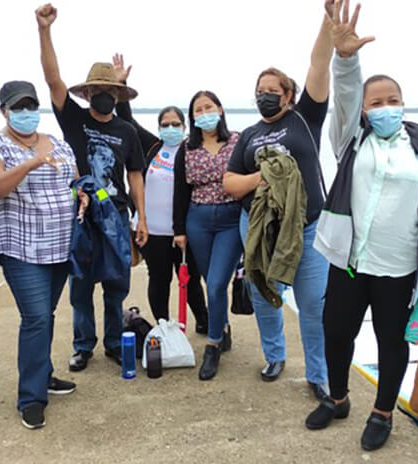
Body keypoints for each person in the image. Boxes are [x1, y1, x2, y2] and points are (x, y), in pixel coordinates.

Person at [305, 0, 418, 451]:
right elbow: (347, 90)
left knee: (392, 342)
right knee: (336, 332)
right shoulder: (349, 140)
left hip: (400, 269)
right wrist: (346, 59)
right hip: (349, 262)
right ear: (365, 111)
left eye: (393, 100)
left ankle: (382, 412)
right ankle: (337, 399)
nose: (385, 107)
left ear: (403, 103)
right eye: (377, 102)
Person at [223, 4, 333, 398]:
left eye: (273, 91)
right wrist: (264, 175)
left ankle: (318, 376)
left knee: (313, 304)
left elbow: (319, 65)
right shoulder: (249, 135)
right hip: (258, 228)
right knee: (264, 297)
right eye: (260, 91)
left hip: (307, 228)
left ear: (289, 96)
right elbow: (230, 183)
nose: (265, 96)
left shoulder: (305, 119)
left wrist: (328, 22)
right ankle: (275, 356)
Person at [36, 4, 148, 372]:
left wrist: (141, 217)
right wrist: (45, 31)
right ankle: (83, 345)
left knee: (117, 283)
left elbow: (135, 174)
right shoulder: (74, 119)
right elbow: (53, 80)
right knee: (80, 285)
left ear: (118, 96)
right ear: (87, 95)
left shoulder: (127, 131)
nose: (104, 95)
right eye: (97, 90)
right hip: (81, 212)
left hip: (116, 213)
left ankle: (115, 342)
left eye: (110, 91)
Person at [0, 80, 85, 429]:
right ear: (4, 111)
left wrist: (81, 193)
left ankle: (45, 375)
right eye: (17, 107)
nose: (26, 113)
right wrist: (30, 164)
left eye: (30, 106)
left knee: (47, 314)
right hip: (21, 248)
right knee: (36, 317)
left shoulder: (57, 142)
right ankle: (31, 398)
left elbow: (74, 178)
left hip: (60, 245)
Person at [112, 54, 209, 333]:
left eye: (175, 124)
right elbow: (126, 118)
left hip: (185, 231)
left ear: (185, 126)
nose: (170, 128)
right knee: (159, 279)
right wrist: (122, 86)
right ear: (158, 128)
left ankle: (203, 322)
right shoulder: (153, 147)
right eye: (165, 124)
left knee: (190, 280)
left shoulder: (193, 150)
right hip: (152, 230)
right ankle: (164, 326)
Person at [174, 90, 241, 380]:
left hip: (230, 218)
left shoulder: (237, 142)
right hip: (197, 219)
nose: (204, 114)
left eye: (208, 107)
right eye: (197, 110)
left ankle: (212, 345)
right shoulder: (186, 149)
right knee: (206, 280)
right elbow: (180, 191)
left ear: (221, 110)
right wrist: (179, 230)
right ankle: (222, 327)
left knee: (215, 285)